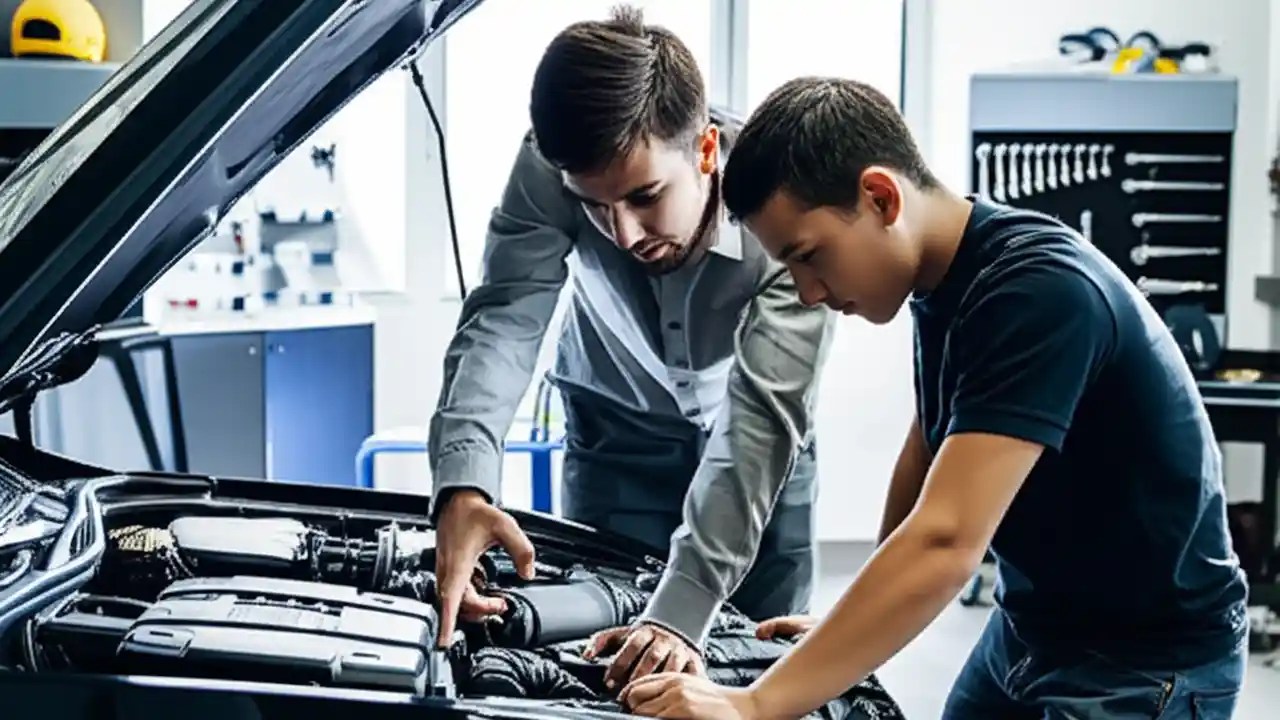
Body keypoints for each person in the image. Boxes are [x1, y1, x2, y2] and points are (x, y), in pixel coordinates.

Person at [617, 76, 1250, 720]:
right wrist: (850, 623)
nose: (808, 292)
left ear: (881, 197)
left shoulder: (1037, 292)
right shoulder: (947, 280)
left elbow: (946, 541)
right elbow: (929, 444)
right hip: (1033, 629)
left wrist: (753, 706)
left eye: (809, 257)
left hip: (1145, 661)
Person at [427, 4, 834, 683]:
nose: (621, 234)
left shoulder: (787, 208)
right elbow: (504, 316)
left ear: (706, 151)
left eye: (646, 196)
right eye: (594, 206)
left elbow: (759, 429)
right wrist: (463, 484)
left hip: (761, 439)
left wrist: (681, 612)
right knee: (604, 661)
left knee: (764, 665)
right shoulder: (551, 164)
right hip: (615, 432)